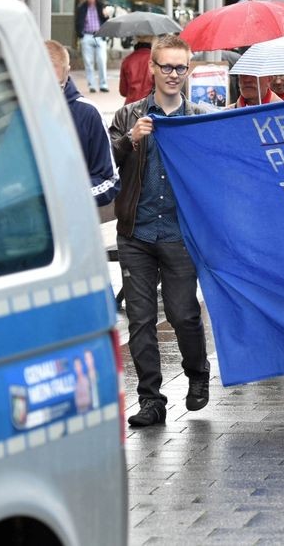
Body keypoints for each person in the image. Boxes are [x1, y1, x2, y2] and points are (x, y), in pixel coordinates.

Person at [108, 34, 214, 427]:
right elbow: (106, 161)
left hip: (179, 234)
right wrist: (130, 141)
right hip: (136, 233)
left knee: (184, 314)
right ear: (151, 68)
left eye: (180, 67)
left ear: (189, 70)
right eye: (165, 66)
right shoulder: (128, 116)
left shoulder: (198, 117)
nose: (173, 74)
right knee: (139, 319)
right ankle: (151, 399)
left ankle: (197, 372)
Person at [43, 40, 119, 207]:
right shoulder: (19, 112)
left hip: (73, 226)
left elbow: (109, 179)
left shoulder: (88, 113)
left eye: (55, 86)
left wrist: (71, 195)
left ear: (67, 72)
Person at [74, 0, 110, 93]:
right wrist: (81, 35)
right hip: (87, 36)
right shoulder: (81, 8)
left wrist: (106, 15)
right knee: (88, 62)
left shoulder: (101, 6)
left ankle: (103, 84)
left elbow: (106, 20)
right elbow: (77, 23)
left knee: (101, 60)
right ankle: (92, 85)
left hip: (99, 35)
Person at [119, 35, 155, 104]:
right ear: (152, 38)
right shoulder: (155, 60)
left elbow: (123, 91)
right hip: (150, 105)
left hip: (130, 106)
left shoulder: (127, 61)